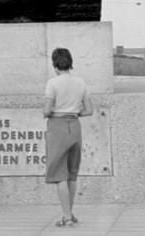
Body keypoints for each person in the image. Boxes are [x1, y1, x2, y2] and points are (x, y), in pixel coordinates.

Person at [43, 47, 93, 227]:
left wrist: (53, 112)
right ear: (70, 63)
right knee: (72, 174)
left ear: (55, 65)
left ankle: (67, 217)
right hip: (75, 126)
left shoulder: (53, 83)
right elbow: (89, 110)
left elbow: (47, 110)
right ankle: (69, 213)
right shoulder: (81, 83)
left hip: (57, 127)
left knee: (60, 174)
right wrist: (75, 112)